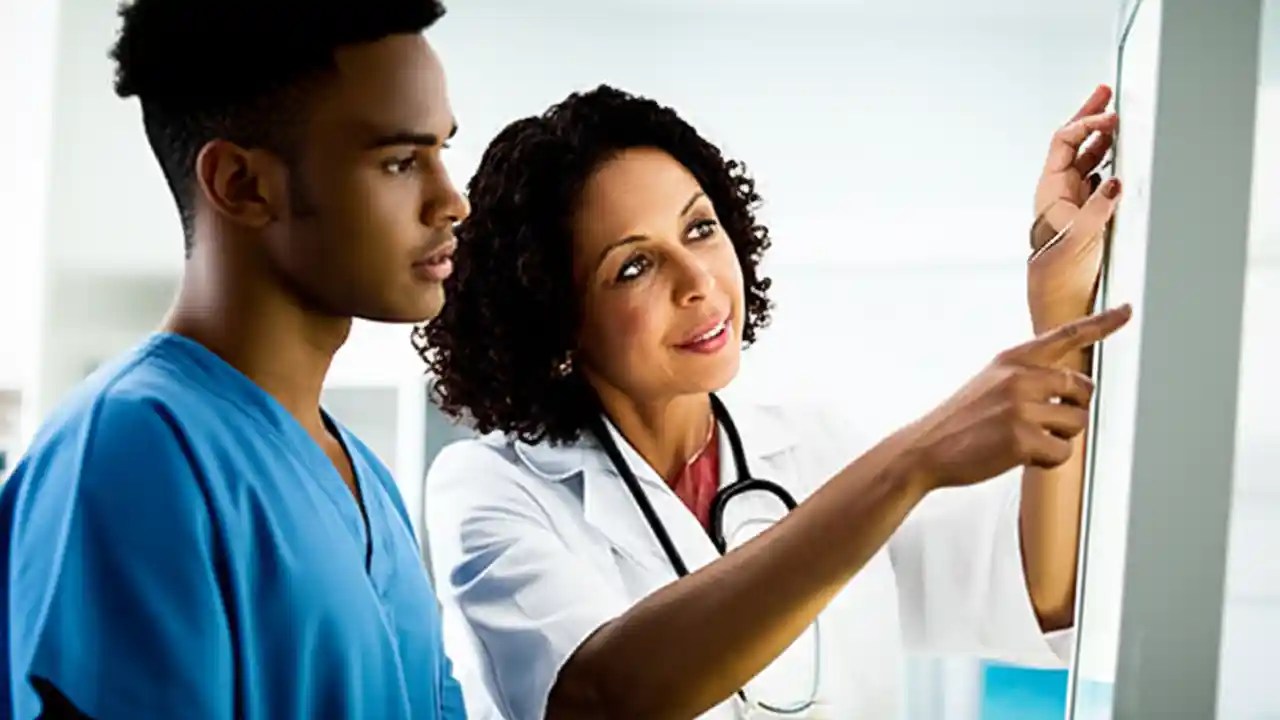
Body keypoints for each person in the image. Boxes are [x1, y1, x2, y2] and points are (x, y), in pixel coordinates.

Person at [416, 84, 1127, 719]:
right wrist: (912, 461)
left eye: (699, 228)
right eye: (633, 266)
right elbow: (603, 697)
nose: (698, 279)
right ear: (557, 320)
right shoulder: (491, 487)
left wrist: (1059, 315)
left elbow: (1043, 592)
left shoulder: (812, 446)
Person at [0, 1, 470, 718]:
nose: (451, 201)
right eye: (402, 161)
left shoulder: (366, 481)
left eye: (443, 152)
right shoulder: (134, 447)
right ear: (241, 185)